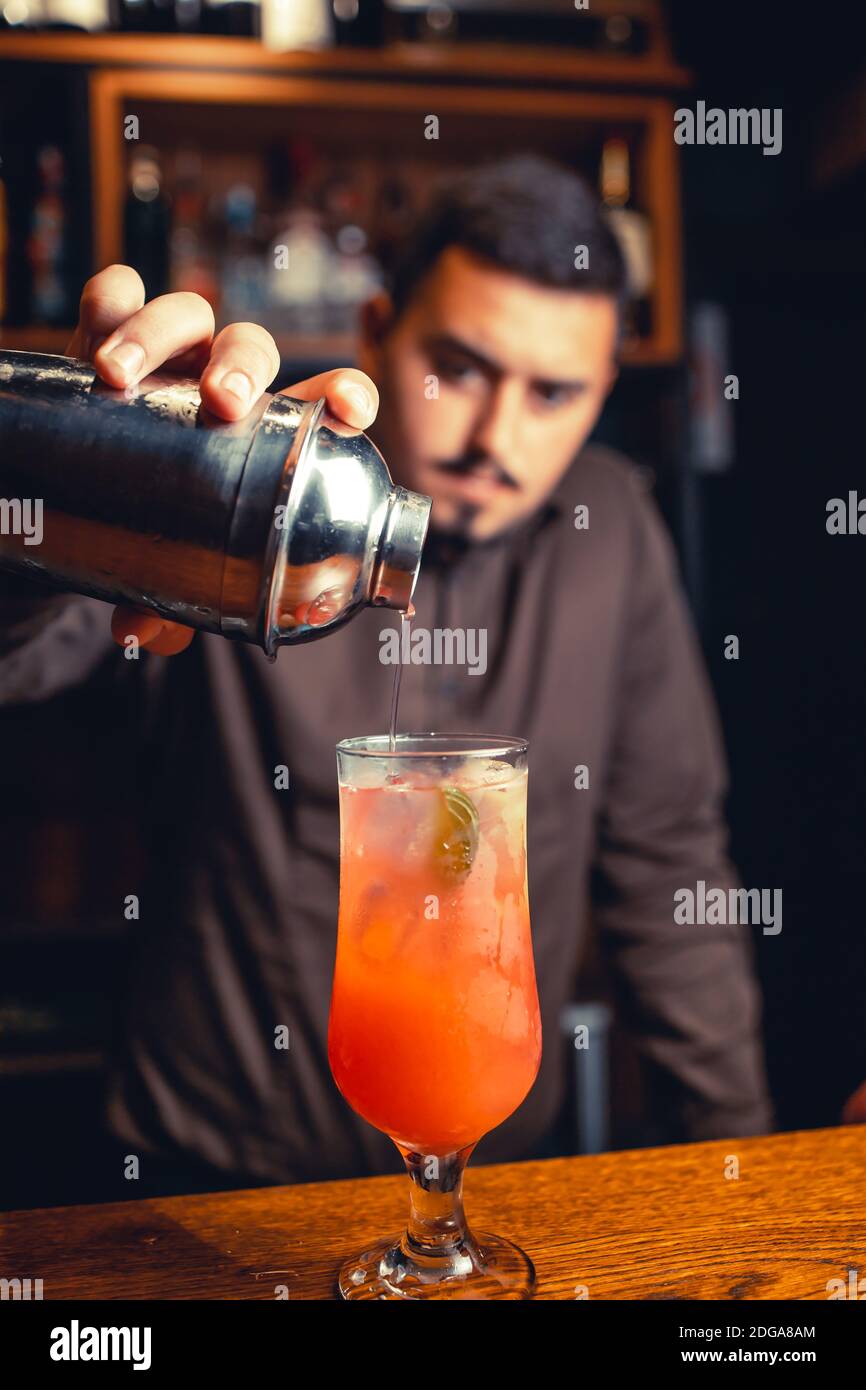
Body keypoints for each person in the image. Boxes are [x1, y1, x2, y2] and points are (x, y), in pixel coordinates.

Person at [0, 156, 777, 1197]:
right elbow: (23, 660)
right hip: (208, 1182)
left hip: (491, 1189)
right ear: (376, 334)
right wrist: (68, 473)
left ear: (604, 388)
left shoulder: (613, 535)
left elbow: (669, 869)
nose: (497, 438)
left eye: (552, 393)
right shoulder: (245, 494)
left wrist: (740, 1183)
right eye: (457, 368)